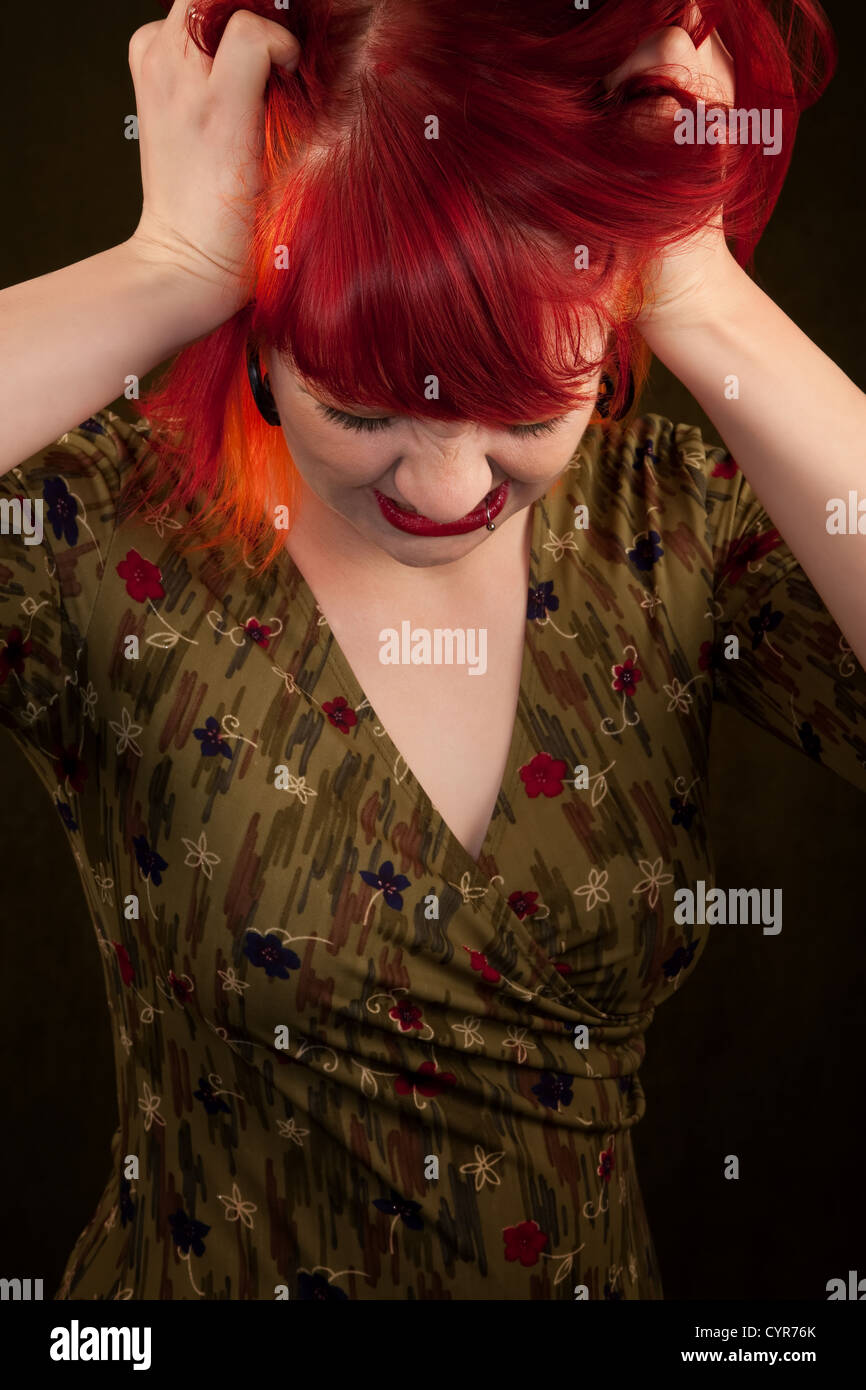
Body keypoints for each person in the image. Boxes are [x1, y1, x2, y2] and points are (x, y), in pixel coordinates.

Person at [0, 0, 863, 1301]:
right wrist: (165, 262)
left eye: (525, 399)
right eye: (361, 405)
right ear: (263, 331)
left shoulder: (668, 527)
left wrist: (689, 276)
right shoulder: (99, 530)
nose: (449, 484)